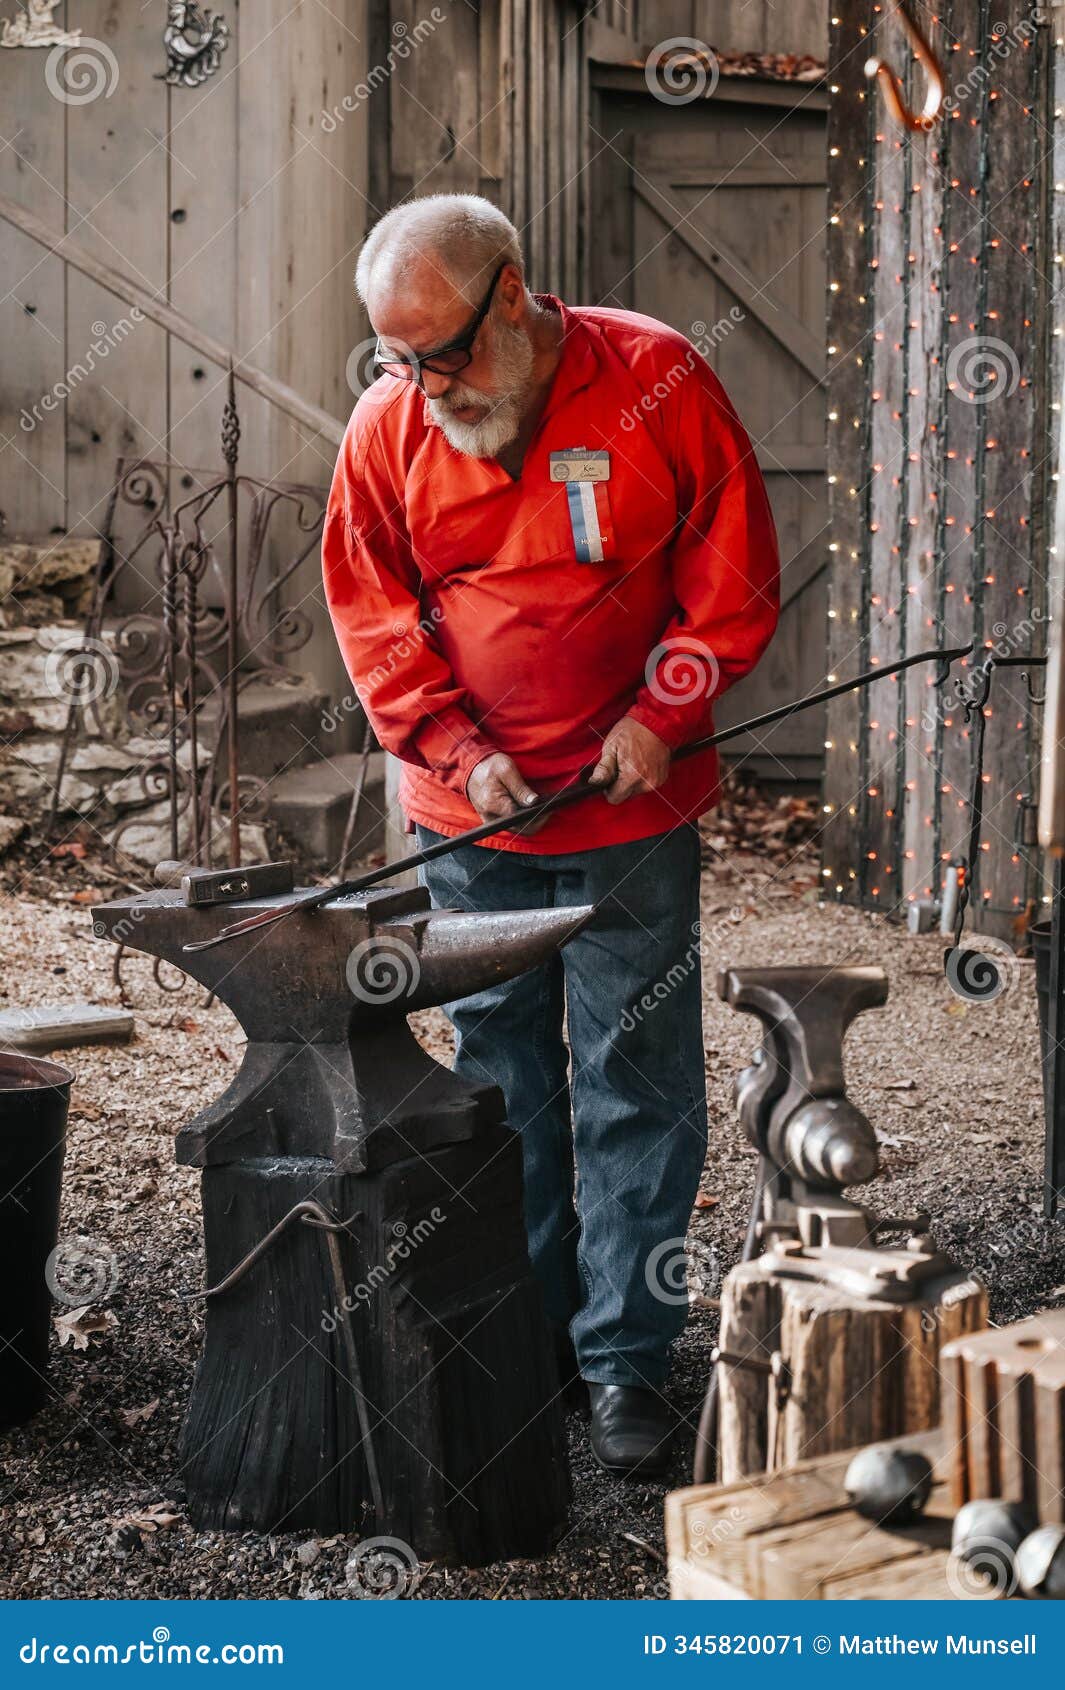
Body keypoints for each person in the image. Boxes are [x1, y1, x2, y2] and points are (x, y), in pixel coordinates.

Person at [323, 194, 779, 1477]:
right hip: (473, 825)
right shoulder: (390, 428)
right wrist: (461, 751)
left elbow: (731, 567)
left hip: (634, 809)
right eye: (397, 358)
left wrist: (666, 707)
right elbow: (375, 615)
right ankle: (532, 1344)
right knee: (501, 1082)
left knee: (633, 1080)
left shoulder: (655, 379)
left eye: (444, 351)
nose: (422, 384)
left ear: (511, 292)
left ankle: (628, 1360)